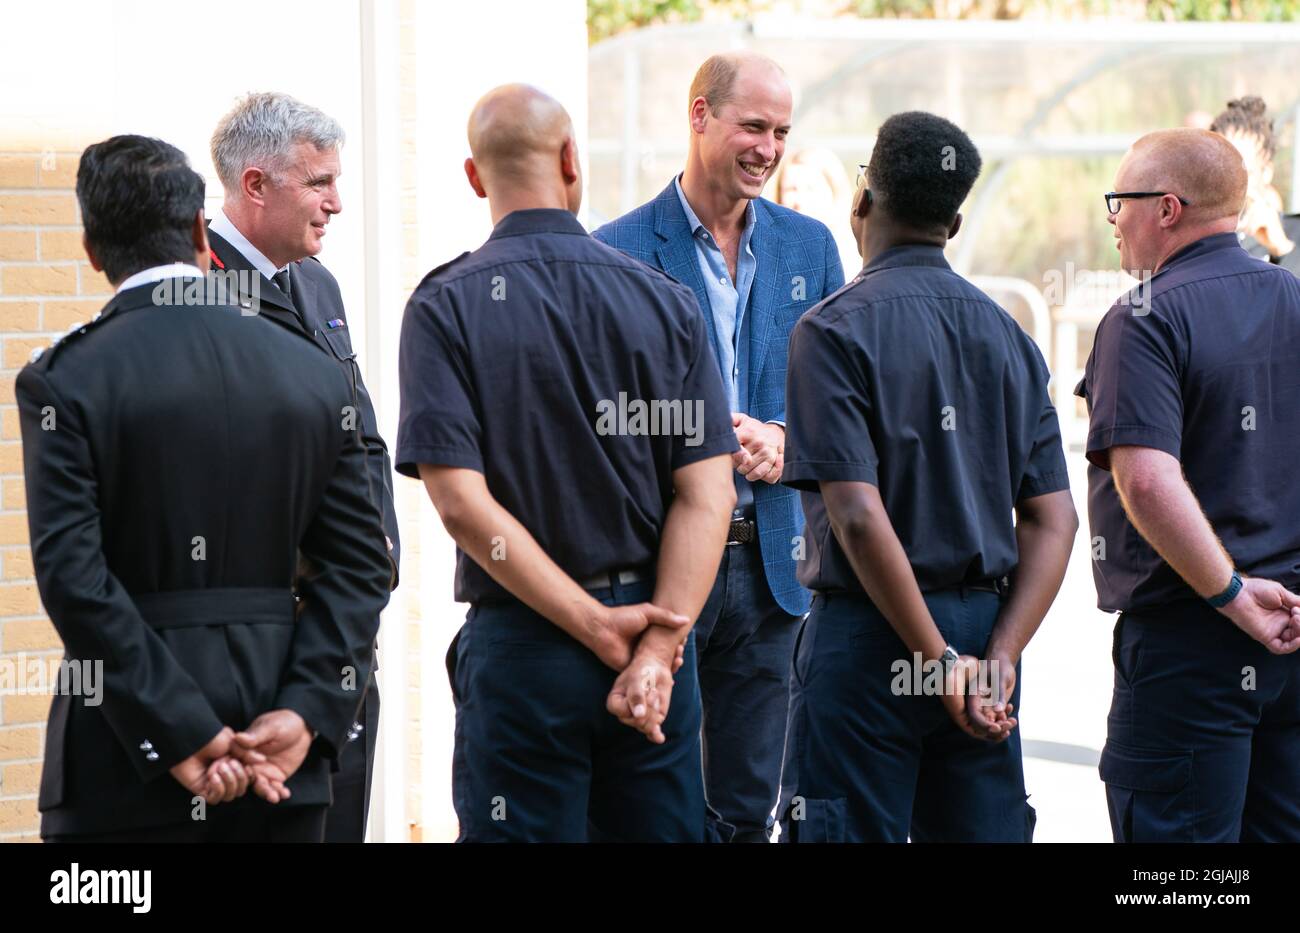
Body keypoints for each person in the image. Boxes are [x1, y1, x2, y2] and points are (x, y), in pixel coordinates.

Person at [20, 134, 391, 842]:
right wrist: (306, 711)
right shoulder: (312, 374)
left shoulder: (64, 378)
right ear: (200, 230)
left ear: (92, 250)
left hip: (121, 754)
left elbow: (75, 581)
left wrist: (182, 730)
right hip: (280, 751)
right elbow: (363, 564)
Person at [396, 84, 737, 842]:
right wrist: (653, 649)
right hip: (657, 645)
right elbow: (708, 494)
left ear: (476, 177)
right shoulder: (665, 301)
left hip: (525, 653)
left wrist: (595, 626)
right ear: (571, 160)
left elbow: (459, 504)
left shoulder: (443, 306)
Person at [778, 112, 1077, 843]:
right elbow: (1055, 518)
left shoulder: (831, 330)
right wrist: (994, 660)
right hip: (984, 636)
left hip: (869, 639)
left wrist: (936, 663)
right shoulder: (1010, 337)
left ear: (862, 203)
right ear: (955, 220)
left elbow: (855, 514)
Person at [594, 51, 845, 842]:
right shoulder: (619, 249)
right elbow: (601, 418)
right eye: (753, 126)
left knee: (747, 807)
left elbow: (845, 406)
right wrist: (690, 440)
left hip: (775, 572)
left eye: (781, 132)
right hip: (664, 563)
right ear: (700, 115)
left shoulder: (810, 248)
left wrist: (787, 440)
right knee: (653, 796)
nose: (769, 148)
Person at [1077, 128, 1300, 843]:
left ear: (1166, 208)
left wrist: (1233, 596)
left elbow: (1144, 479)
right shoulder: (1293, 298)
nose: (1113, 220)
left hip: (1191, 646)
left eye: (1120, 202)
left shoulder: (1142, 318)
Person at [206, 92, 400, 842]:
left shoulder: (316, 284)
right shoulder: (198, 284)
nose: (337, 203)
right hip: (262, 653)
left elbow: (362, 437)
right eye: (318, 182)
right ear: (256, 185)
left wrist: (380, 557)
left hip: (343, 639)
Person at [1209, 96, 1300, 276]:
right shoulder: (1192, 236)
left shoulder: (1294, 234)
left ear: (1266, 172)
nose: (1229, 184)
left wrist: (1282, 250)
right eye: (1220, 171)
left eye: (1243, 172)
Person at [772, 145, 861, 274]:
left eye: (810, 189)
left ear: (835, 192)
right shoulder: (771, 252)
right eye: (791, 189)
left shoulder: (853, 256)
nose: (799, 200)